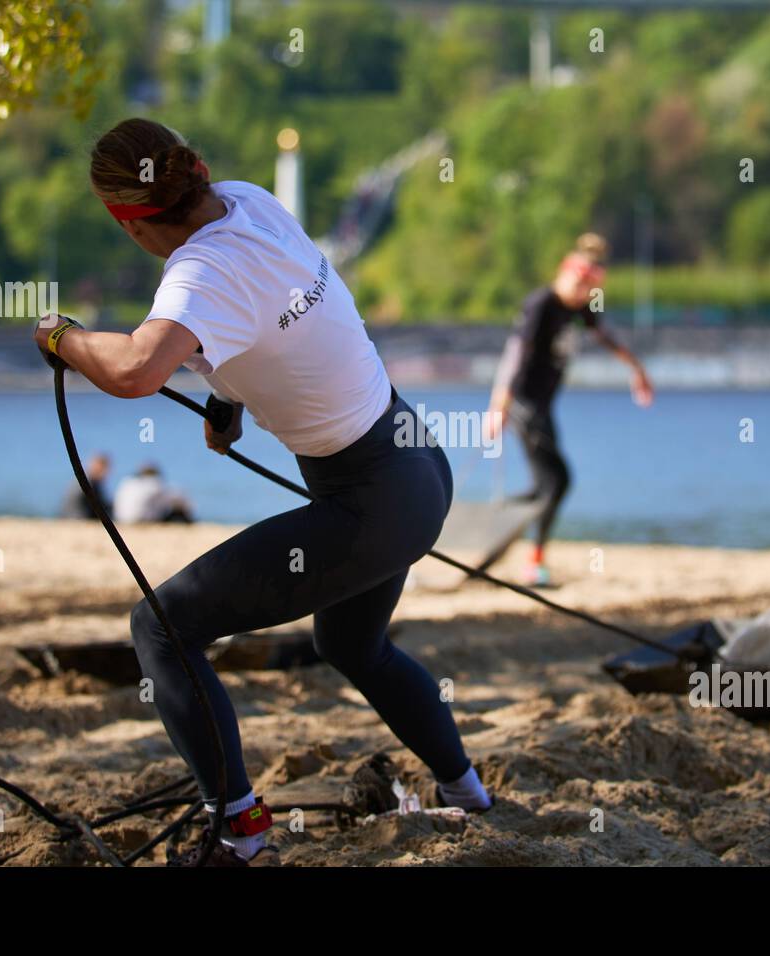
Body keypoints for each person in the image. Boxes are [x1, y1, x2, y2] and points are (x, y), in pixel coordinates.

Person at [33, 118, 490, 866]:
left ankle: (239, 827)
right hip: (416, 466)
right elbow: (278, 320)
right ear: (199, 171)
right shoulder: (249, 202)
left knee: (161, 629)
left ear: (127, 221)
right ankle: (469, 794)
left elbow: (135, 371)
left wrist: (60, 338)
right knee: (350, 644)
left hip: (367, 503)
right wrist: (228, 398)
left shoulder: (196, 273)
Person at [484, 234, 653, 586]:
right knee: (558, 480)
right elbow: (517, 352)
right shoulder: (541, 303)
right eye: (577, 283)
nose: (580, 292)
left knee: (543, 486)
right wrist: (498, 404)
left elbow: (606, 336)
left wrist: (636, 369)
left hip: (543, 406)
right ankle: (533, 559)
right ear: (564, 273)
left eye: (588, 288)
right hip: (524, 404)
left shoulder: (579, 308)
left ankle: (492, 528)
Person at [113, 462, 193, 524]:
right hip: (141, 520)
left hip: (121, 519)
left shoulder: (127, 482)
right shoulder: (154, 483)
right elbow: (178, 498)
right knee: (176, 510)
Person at [60, 452, 112, 519]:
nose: (105, 474)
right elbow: (96, 507)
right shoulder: (86, 482)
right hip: (75, 519)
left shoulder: (90, 481)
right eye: (104, 469)